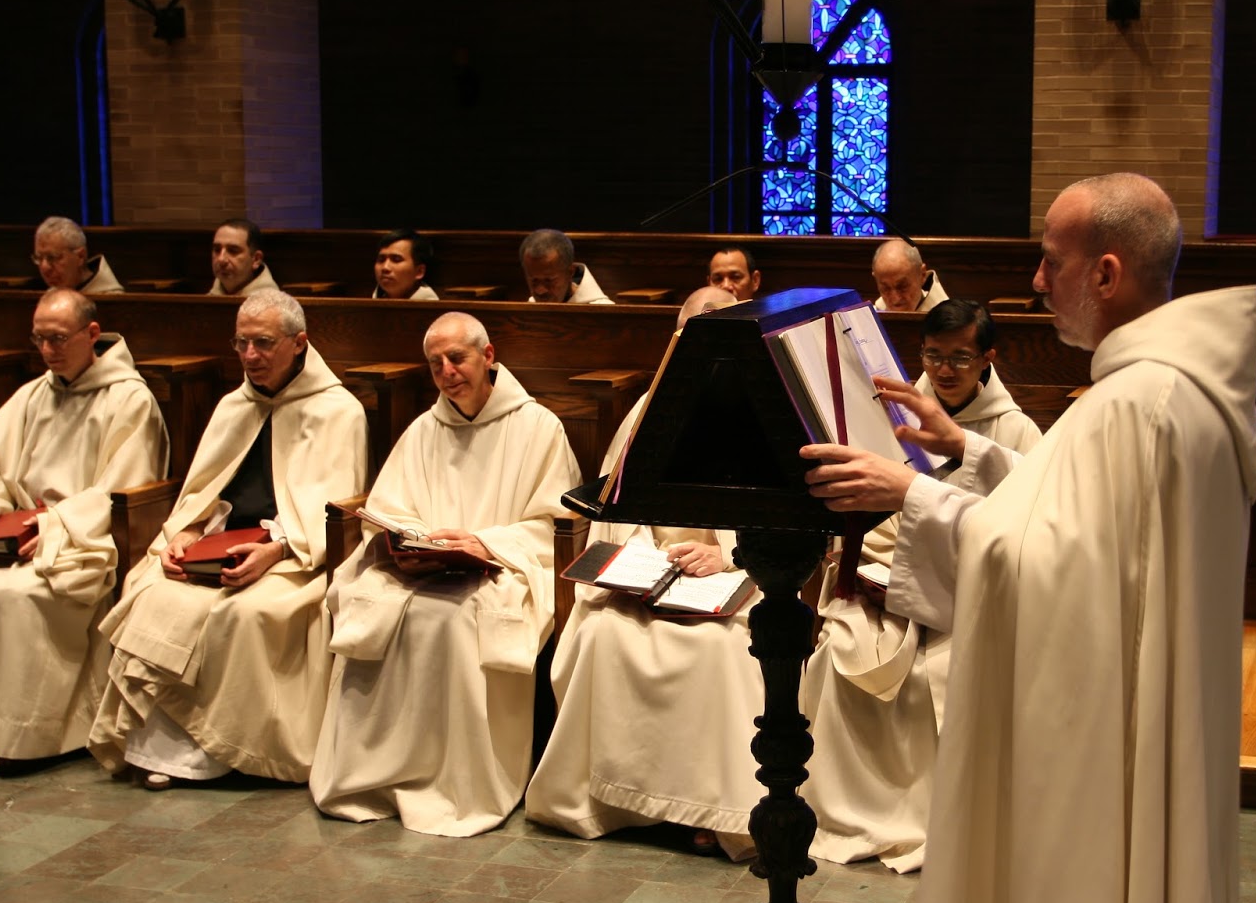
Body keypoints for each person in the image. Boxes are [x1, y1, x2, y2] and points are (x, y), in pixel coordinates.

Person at [803, 173, 1256, 903]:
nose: (1038, 282)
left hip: (1103, 743)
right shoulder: (1175, 390)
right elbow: (1090, 529)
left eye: (1052, 262)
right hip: (1149, 718)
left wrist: (910, 493)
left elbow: (1058, 572)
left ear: (1107, 273)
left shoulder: (1133, 404)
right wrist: (968, 456)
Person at [310, 313, 580, 837]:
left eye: (457, 358)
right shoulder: (423, 430)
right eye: (435, 363)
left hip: (500, 570)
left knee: (455, 624)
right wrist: (412, 542)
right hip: (427, 570)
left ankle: (461, 787)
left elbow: (555, 523)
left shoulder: (538, 426)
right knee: (378, 605)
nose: (447, 371)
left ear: (489, 355)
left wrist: (487, 543)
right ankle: (373, 774)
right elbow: (390, 507)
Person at [89, 289, 367, 790]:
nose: (250, 357)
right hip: (219, 542)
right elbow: (203, 490)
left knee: (244, 614)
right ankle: (161, 751)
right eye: (241, 344)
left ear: (299, 342)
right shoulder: (232, 405)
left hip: (294, 556)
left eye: (262, 343)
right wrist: (187, 533)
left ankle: (219, 753)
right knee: (150, 587)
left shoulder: (337, 411)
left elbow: (335, 511)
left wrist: (275, 550)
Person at [799, 300, 1041, 873]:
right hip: (884, 590)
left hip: (973, 604)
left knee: (948, 669)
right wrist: (863, 575)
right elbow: (865, 521)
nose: (945, 369)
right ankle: (849, 812)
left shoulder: (1017, 430)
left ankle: (939, 818)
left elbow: (1028, 529)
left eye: (961, 356)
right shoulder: (891, 414)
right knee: (839, 655)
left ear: (989, 358)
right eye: (934, 355)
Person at [525, 285, 764, 859]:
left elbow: (788, 518)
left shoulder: (765, 408)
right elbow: (615, 508)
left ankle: (714, 810)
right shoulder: (647, 411)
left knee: (723, 655)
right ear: (676, 338)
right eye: (693, 331)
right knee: (605, 635)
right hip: (653, 574)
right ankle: (619, 803)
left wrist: (732, 559)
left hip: (735, 580)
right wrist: (641, 565)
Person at [0, 289, 168, 775]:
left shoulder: (129, 398)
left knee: (17, 598)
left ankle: (27, 737)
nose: (47, 350)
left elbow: (125, 487)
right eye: (39, 339)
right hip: (20, 532)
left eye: (58, 338)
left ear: (92, 334)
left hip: (81, 541)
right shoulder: (36, 392)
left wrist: (57, 525)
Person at [32, 216, 124, 294]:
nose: (44, 268)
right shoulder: (50, 295)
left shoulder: (111, 299)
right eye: (38, 258)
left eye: (52, 257)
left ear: (81, 256)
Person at [519, 228, 611, 304]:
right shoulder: (528, 309)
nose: (540, 290)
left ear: (570, 272)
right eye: (534, 280)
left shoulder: (605, 312)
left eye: (549, 280)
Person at [871, 238, 947, 313]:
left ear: (922, 275)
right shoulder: (870, 318)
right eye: (885, 288)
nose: (896, 299)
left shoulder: (947, 318)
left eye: (902, 287)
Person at [208, 218, 279, 297]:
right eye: (217, 250)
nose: (221, 259)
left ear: (256, 259)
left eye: (233, 251)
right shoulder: (204, 302)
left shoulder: (274, 304)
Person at [372, 228, 439, 300]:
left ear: (419, 271)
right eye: (381, 260)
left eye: (396, 260)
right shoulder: (373, 301)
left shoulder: (432, 308)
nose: (385, 267)